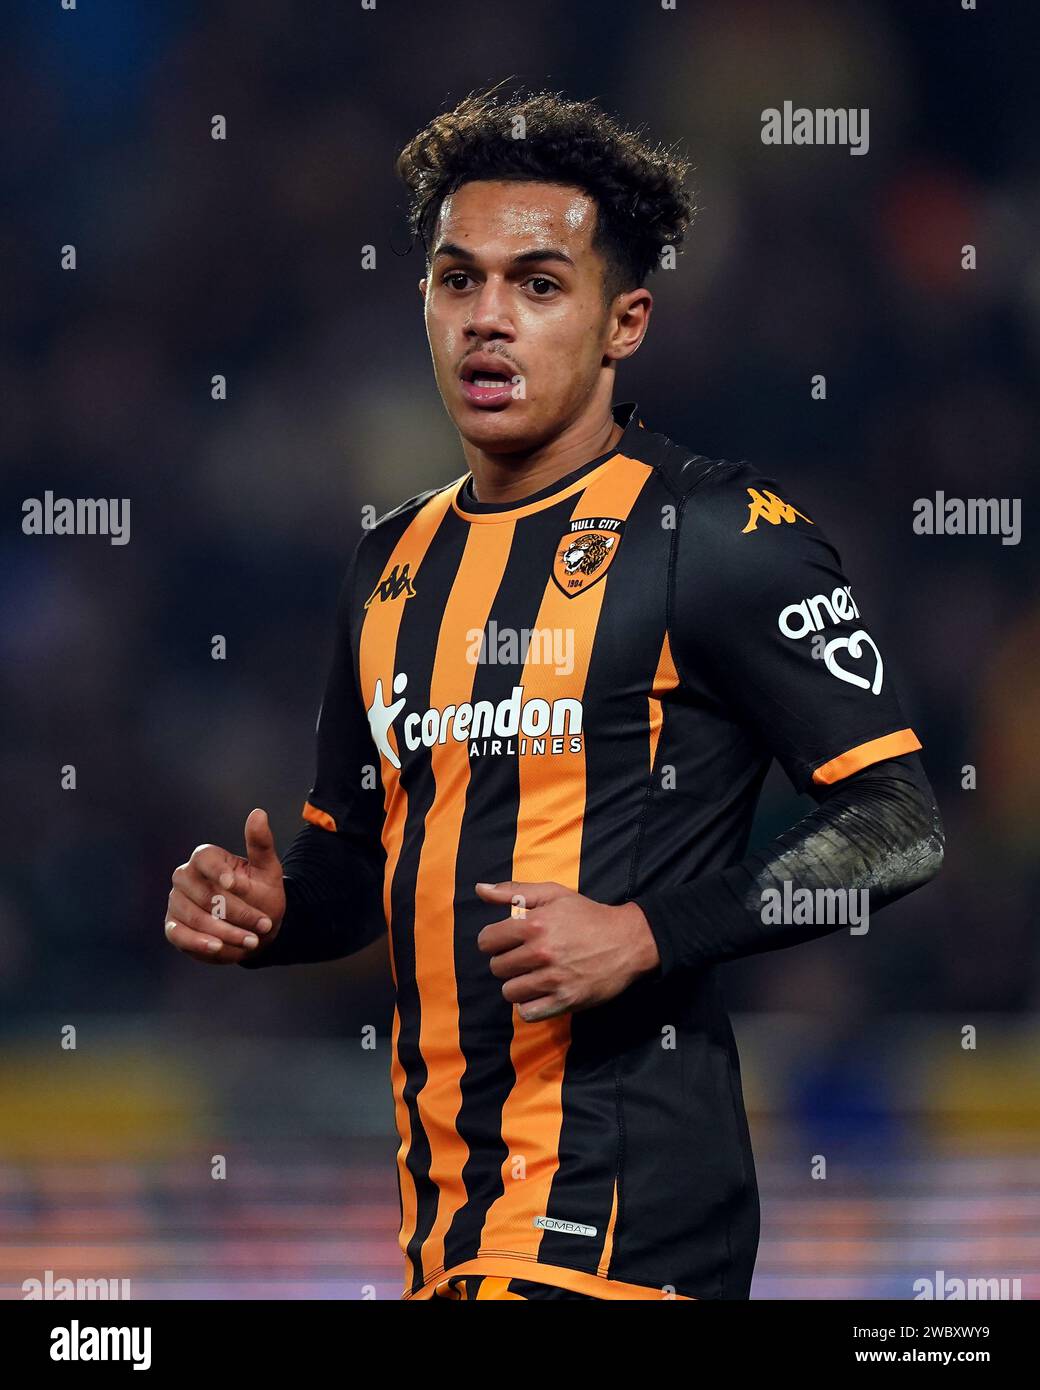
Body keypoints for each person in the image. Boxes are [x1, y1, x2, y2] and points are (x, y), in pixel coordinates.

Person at [164, 87, 944, 1301]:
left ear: (621, 320)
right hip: (446, 1229)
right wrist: (279, 916)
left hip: (627, 1216)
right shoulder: (388, 565)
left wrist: (644, 932)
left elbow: (898, 820)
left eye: (537, 285)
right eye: (456, 279)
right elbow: (356, 864)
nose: (488, 320)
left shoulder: (717, 533)